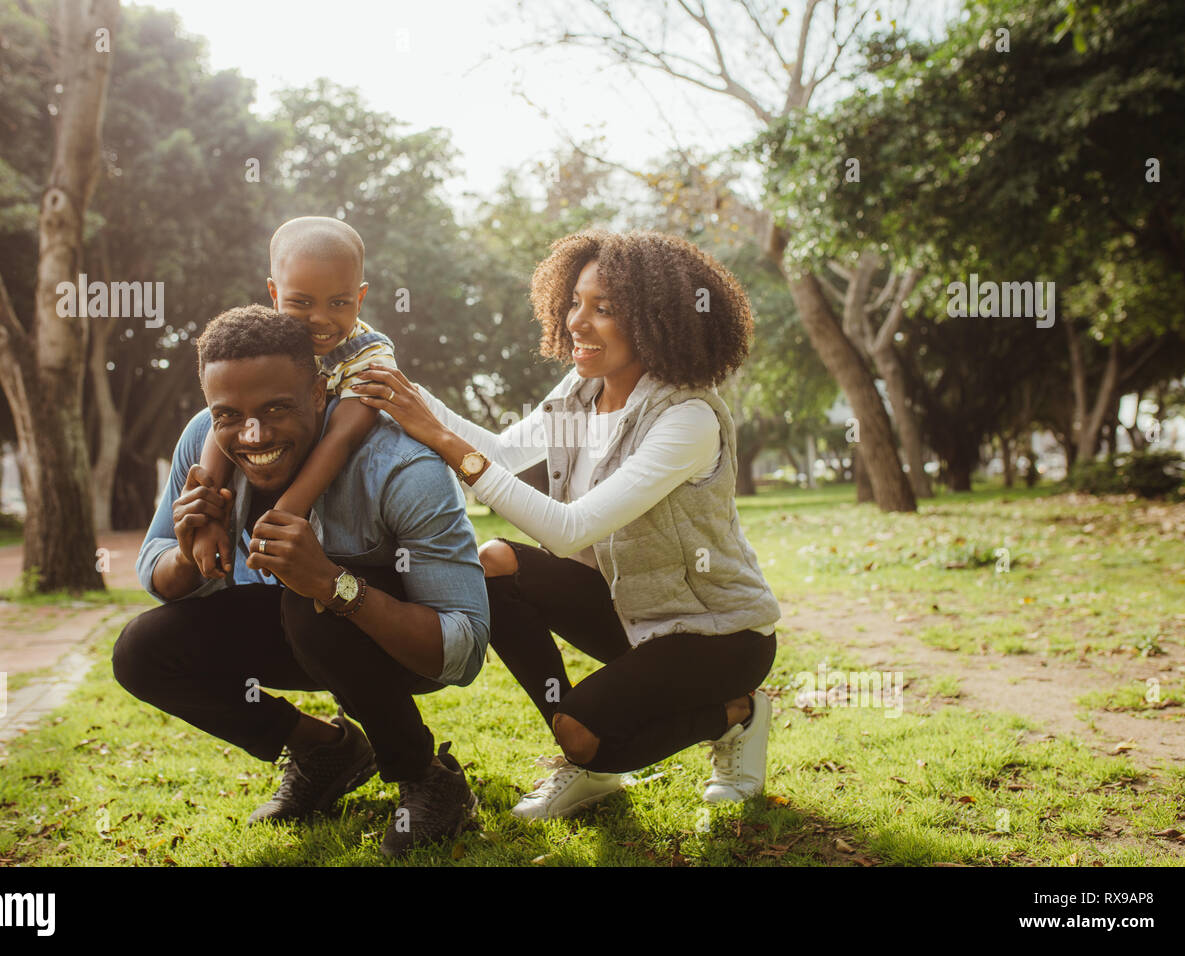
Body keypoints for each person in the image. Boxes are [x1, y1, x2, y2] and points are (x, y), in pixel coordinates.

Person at [353, 229, 781, 820]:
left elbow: (569, 530)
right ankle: (579, 740)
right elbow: (502, 455)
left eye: (604, 308)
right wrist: (405, 391)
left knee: (585, 734)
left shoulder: (686, 419)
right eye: (575, 301)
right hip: (630, 614)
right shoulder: (582, 392)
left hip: (718, 637)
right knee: (495, 562)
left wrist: (440, 438)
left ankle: (736, 714)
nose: (576, 321)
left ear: (657, 321)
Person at [112, 305, 490, 857]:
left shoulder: (402, 466)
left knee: (309, 609)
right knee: (142, 650)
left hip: (400, 647)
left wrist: (334, 585)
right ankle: (326, 749)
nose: (253, 434)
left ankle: (427, 777)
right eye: (229, 415)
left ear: (318, 393)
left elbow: (465, 649)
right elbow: (156, 565)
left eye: (276, 409)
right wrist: (189, 554)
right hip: (300, 633)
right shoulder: (203, 442)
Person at [188, 216, 396, 580]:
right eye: (301, 302)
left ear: (360, 298)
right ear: (274, 294)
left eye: (339, 302)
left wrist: (285, 514)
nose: (320, 319)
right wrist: (207, 518)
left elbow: (342, 437)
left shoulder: (370, 356)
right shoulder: (267, 343)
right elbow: (225, 419)